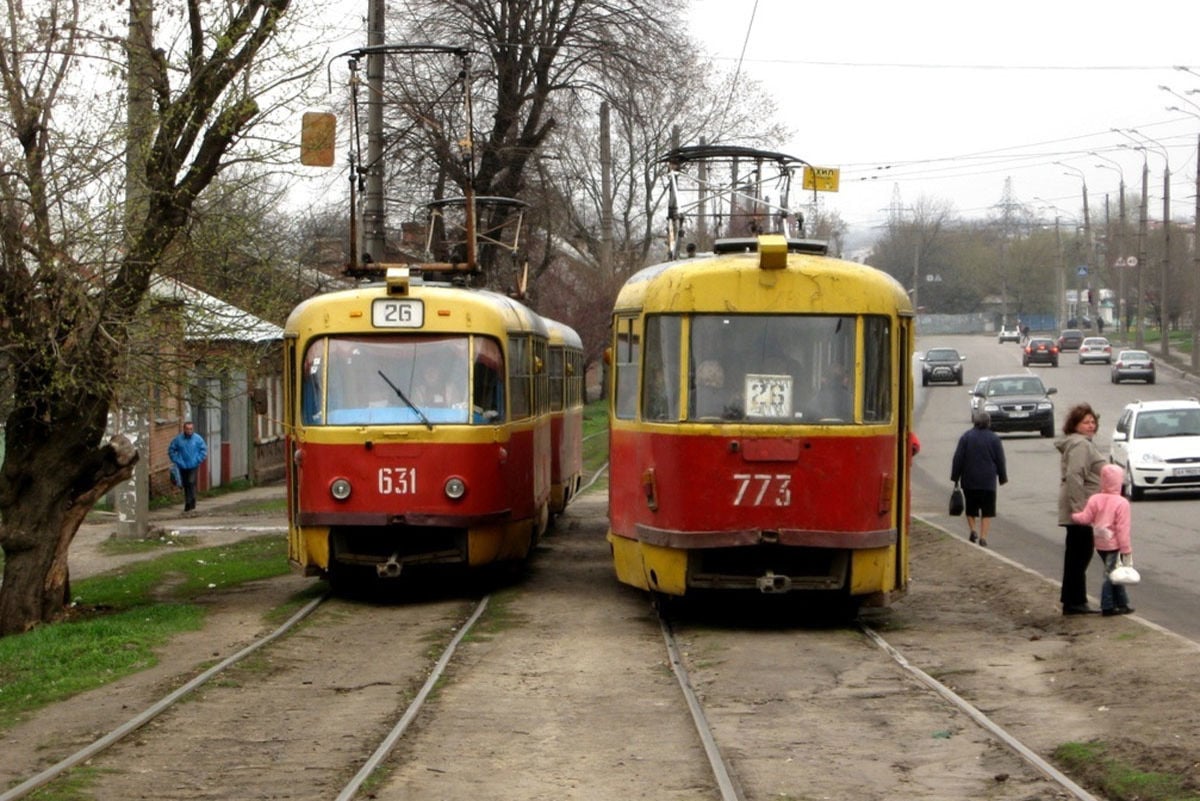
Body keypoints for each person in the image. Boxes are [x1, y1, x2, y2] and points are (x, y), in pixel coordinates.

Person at [1056, 402, 1107, 615]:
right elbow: (1075, 476)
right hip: (1081, 510)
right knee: (1080, 553)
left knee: (1077, 553)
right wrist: (1080, 510)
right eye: (1085, 422)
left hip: (1082, 508)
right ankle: (1075, 601)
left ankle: (1072, 600)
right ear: (1075, 424)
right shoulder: (1081, 445)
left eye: (1093, 421)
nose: (1091, 425)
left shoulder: (1082, 443)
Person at [1070, 463, 1135, 616]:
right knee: (1111, 574)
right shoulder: (1121, 503)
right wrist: (1126, 549)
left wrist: (1073, 516)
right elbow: (1122, 528)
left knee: (1115, 572)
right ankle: (1107, 606)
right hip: (1114, 543)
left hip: (1099, 541)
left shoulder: (1095, 499)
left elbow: (1086, 518)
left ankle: (1122, 603)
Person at [950, 411, 1007, 547]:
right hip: (988, 481)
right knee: (987, 511)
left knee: (971, 508)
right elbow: (1000, 460)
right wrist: (1002, 477)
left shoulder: (966, 437)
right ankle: (983, 537)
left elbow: (958, 458)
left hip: (969, 480)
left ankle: (973, 530)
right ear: (989, 422)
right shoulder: (994, 439)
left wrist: (955, 477)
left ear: (975, 422)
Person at [168, 421, 208, 514]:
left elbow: (203, 450)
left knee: (191, 481)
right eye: (187, 429)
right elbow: (171, 450)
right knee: (186, 484)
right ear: (184, 429)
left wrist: (198, 460)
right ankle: (188, 501)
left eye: (191, 429)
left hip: (193, 464)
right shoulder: (178, 439)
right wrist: (177, 460)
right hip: (183, 465)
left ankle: (191, 501)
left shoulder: (198, 439)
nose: (189, 431)